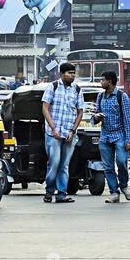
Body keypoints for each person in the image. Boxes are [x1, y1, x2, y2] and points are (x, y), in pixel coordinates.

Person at [41, 62, 84, 203]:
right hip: (53, 133)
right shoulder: (52, 87)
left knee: (64, 164)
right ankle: (49, 191)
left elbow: (80, 112)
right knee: (54, 162)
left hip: (69, 134)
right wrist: (53, 128)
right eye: (69, 73)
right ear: (62, 74)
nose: (72, 76)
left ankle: (61, 194)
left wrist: (73, 130)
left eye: (73, 73)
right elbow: (45, 109)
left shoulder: (77, 90)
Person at [93, 70, 130, 202]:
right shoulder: (100, 97)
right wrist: (96, 117)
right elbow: (94, 118)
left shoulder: (121, 96)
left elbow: (127, 119)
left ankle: (124, 185)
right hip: (105, 136)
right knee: (108, 166)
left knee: (121, 162)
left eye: (102, 80)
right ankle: (114, 192)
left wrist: (129, 140)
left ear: (109, 82)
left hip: (119, 135)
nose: (101, 82)